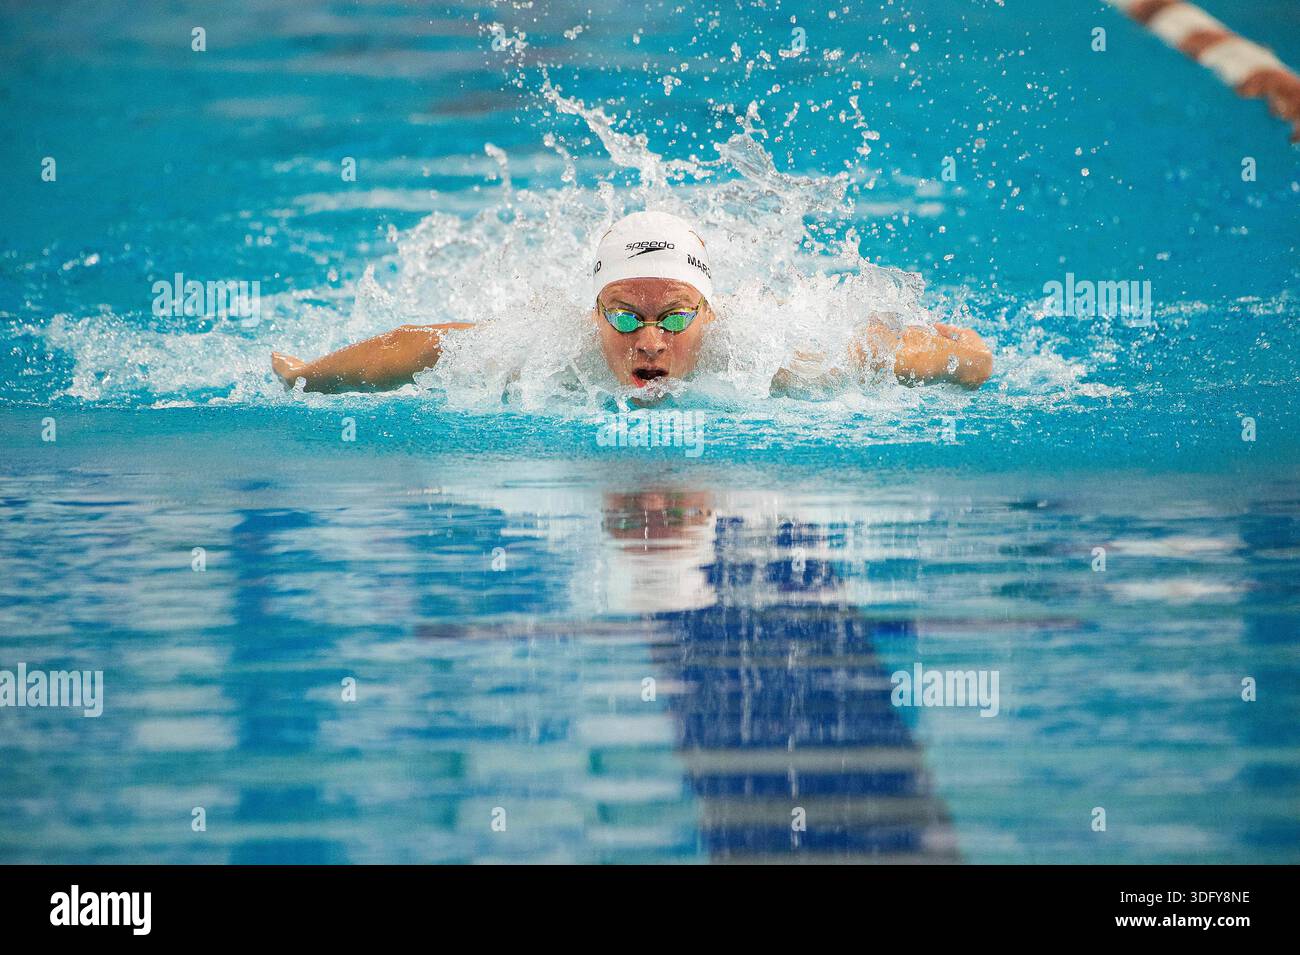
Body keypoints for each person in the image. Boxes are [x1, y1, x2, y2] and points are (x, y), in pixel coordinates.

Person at [270, 210, 993, 394]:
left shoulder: (764, 356)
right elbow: (424, 343)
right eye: (624, 314)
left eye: (675, 315)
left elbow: (880, 353)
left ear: (708, 314)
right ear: (594, 313)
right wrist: (311, 374)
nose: (649, 340)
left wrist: (964, 357)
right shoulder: (553, 348)